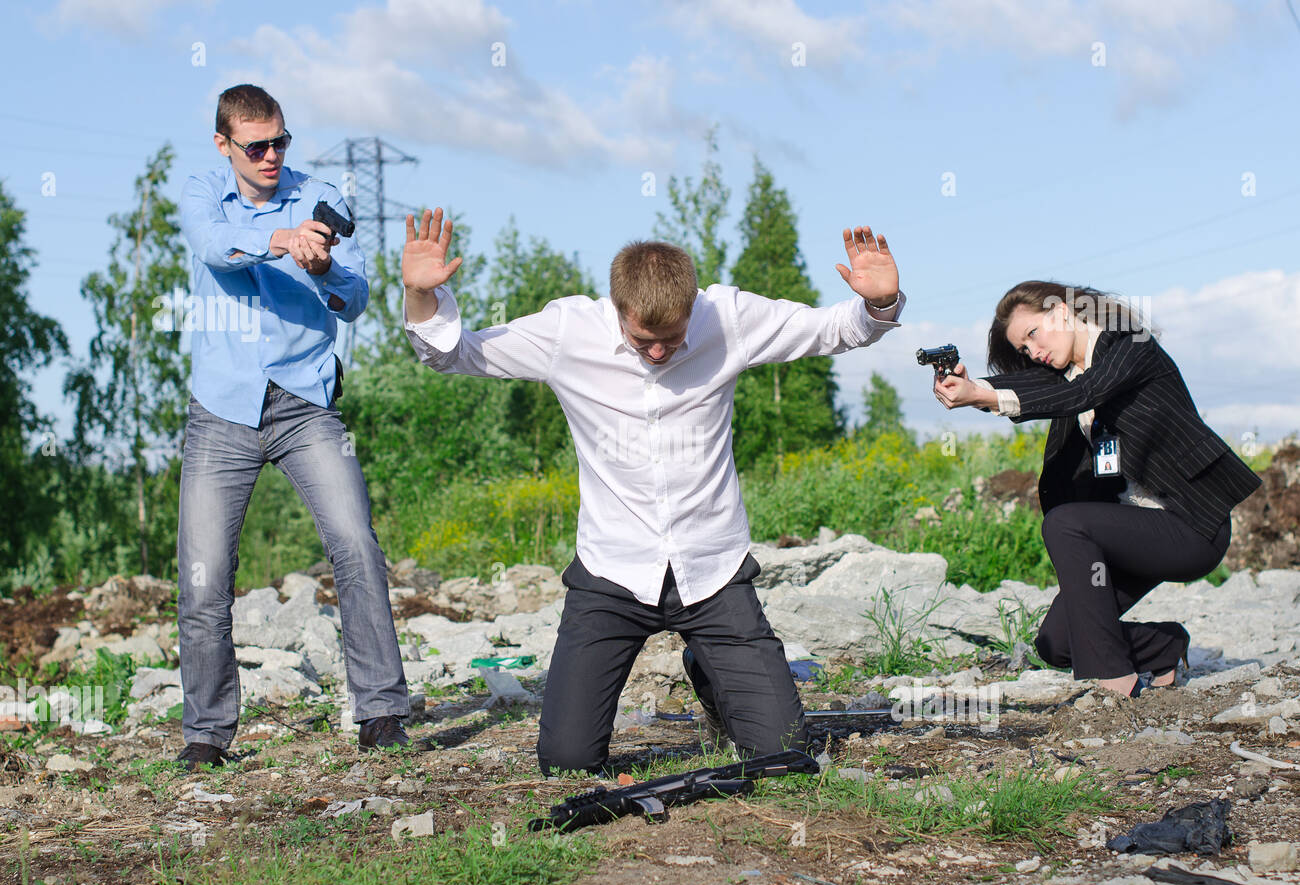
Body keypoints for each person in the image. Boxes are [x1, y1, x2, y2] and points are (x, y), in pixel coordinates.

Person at [401, 208, 905, 774]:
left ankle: (712, 673)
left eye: (672, 338)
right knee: (567, 761)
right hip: (612, 570)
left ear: (693, 308)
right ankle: (692, 672)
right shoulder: (568, 331)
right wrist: (421, 297)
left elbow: (837, 329)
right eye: (645, 339)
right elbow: (452, 353)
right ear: (618, 309)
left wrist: (878, 303)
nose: (660, 352)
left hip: (712, 569)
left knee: (782, 755)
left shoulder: (728, 316)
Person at [175, 84, 409, 769]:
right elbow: (216, 247)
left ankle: (383, 712)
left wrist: (326, 266)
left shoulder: (320, 197)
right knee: (203, 574)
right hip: (221, 409)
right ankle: (207, 733)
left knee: (356, 544)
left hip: (306, 403)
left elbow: (357, 300)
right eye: (257, 146)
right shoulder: (201, 191)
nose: (272, 155)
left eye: (280, 141)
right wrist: (280, 240)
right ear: (225, 146)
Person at [934, 281, 1262, 696]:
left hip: (1192, 525)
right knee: (1057, 642)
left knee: (1066, 523)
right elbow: (1047, 389)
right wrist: (972, 390)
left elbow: (1083, 392)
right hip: (1136, 533)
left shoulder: (1129, 344)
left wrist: (984, 393)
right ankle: (1163, 645)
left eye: (1032, 335)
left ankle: (1116, 683)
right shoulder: (1066, 375)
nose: (1032, 353)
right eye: (1022, 351)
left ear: (1062, 311)